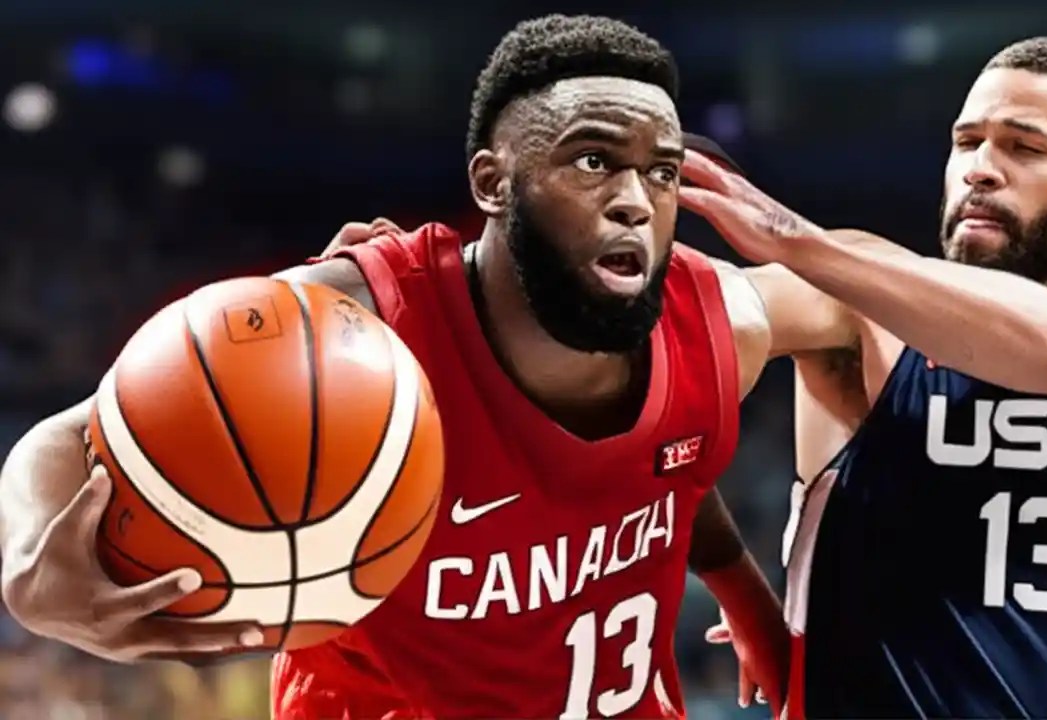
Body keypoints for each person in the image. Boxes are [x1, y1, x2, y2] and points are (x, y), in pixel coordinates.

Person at [0, 14, 863, 720]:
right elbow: (69, 435)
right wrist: (30, 570)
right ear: (493, 182)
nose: (635, 200)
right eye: (594, 161)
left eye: (661, 172)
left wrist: (752, 595)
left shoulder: (718, 324)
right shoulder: (352, 326)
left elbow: (685, 443)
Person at [684, 37, 1047, 718]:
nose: (981, 170)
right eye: (967, 143)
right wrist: (735, 579)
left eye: (1024, 148)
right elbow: (675, 347)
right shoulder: (850, 299)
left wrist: (796, 241)